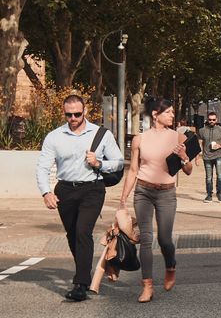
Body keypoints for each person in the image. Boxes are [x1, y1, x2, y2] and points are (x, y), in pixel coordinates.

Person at [36, 94, 124, 302]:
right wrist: (46, 192)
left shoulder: (102, 134)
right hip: (65, 190)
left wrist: (100, 163)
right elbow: (42, 166)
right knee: (72, 234)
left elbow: (119, 162)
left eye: (77, 113)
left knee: (83, 231)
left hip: (92, 189)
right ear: (64, 113)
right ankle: (84, 271)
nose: (73, 118)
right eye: (69, 114)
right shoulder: (55, 136)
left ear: (85, 111)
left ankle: (80, 284)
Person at [119, 98, 193, 303]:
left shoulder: (179, 137)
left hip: (167, 193)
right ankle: (147, 286)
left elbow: (188, 171)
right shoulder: (139, 139)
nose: (172, 115)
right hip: (143, 191)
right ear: (154, 114)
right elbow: (133, 170)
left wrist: (185, 156)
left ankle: (171, 266)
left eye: (172, 112)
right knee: (145, 238)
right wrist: (123, 197)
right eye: (168, 112)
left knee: (165, 239)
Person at [196, 111, 221, 202]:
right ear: (207, 119)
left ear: (216, 120)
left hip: (218, 155)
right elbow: (199, 144)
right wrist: (197, 157)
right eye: (210, 119)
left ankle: (219, 192)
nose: (212, 121)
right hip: (207, 157)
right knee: (208, 177)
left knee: (219, 175)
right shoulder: (202, 130)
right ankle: (209, 195)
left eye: (213, 120)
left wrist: (220, 146)